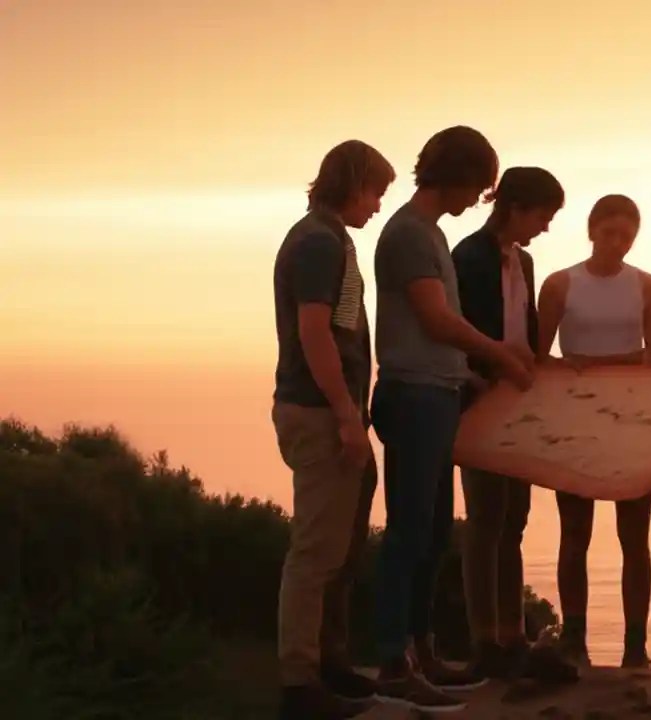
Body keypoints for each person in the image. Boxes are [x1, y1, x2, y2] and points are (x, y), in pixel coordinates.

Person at [370, 126, 534, 713]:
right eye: (478, 187)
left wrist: (471, 377)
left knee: (434, 532)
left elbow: (436, 338)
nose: (477, 200)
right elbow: (436, 321)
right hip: (413, 396)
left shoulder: (430, 235)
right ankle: (392, 661)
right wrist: (499, 354)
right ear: (459, 176)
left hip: (438, 391)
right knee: (409, 531)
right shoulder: (411, 235)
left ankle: (421, 649)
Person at [271, 140, 394, 720]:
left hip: (331, 410)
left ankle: (327, 664)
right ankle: (300, 685)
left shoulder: (329, 237)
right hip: (321, 413)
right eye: (375, 192)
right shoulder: (319, 243)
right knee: (316, 551)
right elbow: (315, 333)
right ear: (352, 182)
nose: (376, 206)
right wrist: (347, 414)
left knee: (337, 550)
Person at [452, 166, 575, 683]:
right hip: (479, 396)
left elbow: (525, 332)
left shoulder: (523, 261)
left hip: (517, 399)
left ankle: (511, 633)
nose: (544, 227)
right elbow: (456, 328)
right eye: (542, 216)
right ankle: (485, 639)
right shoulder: (468, 257)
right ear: (516, 208)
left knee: (513, 521)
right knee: (485, 521)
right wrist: (480, 380)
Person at [536, 194, 651, 669]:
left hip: (631, 421)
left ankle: (636, 646)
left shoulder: (648, 285)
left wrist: (596, 366)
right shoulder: (559, 284)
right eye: (609, 233)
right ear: (592, 231)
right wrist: (597, 368)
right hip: (575, 419)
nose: (617, 243)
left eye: (627, 236)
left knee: (635, 537)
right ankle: (575, 639)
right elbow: (537, 357)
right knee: (575, 534)